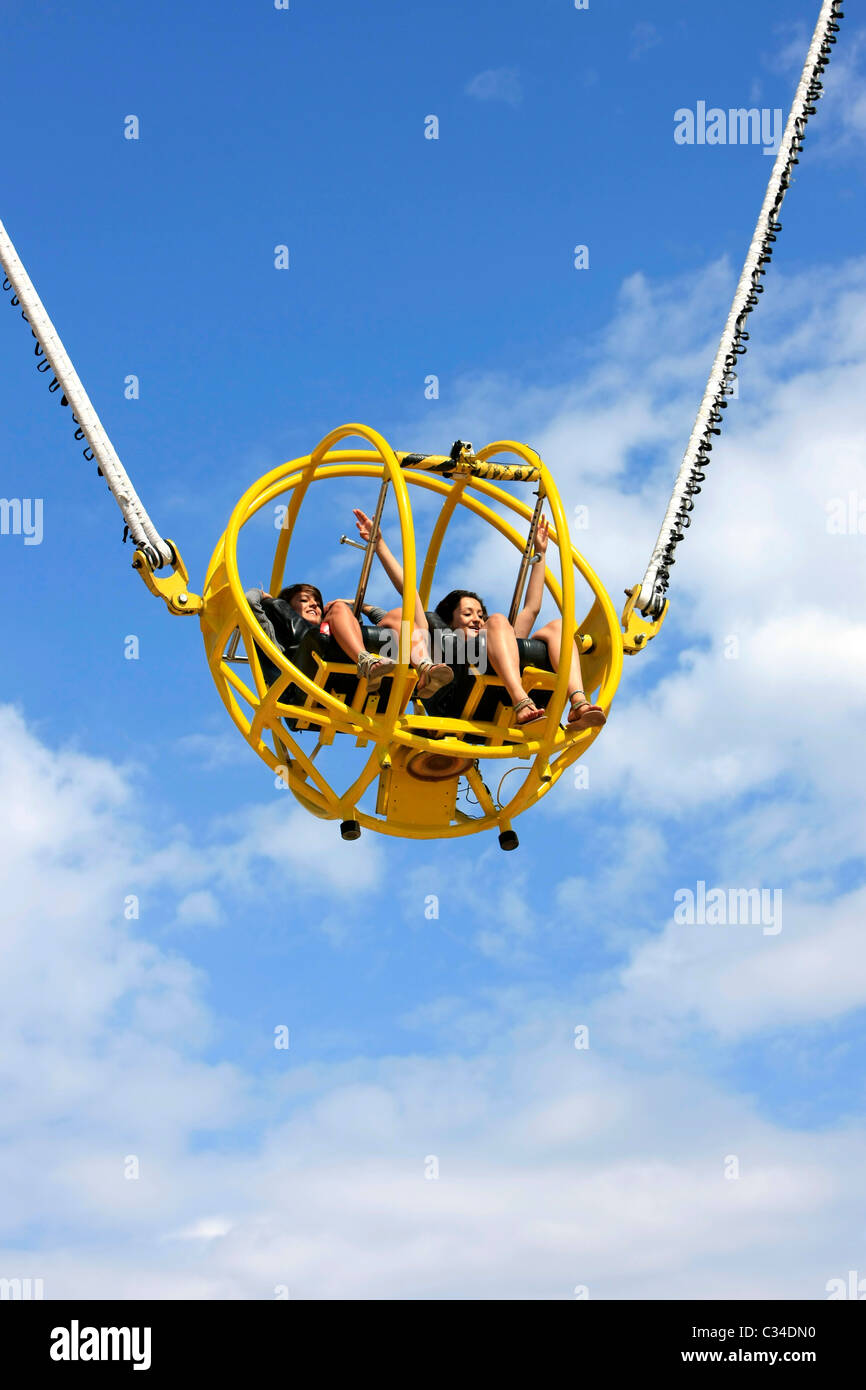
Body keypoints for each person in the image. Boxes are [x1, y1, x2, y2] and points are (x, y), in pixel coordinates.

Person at [429, 515, 606, 731]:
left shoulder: (499, 634)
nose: (476, 619)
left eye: (479, 614)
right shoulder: (444, 651)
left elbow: (532, 608)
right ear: (449, 623)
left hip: (521, 701)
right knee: (498, 620)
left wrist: (540, 555)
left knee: (558, 626)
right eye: (467, 614)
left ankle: (578, 701)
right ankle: (520, 700)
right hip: (463, 700)